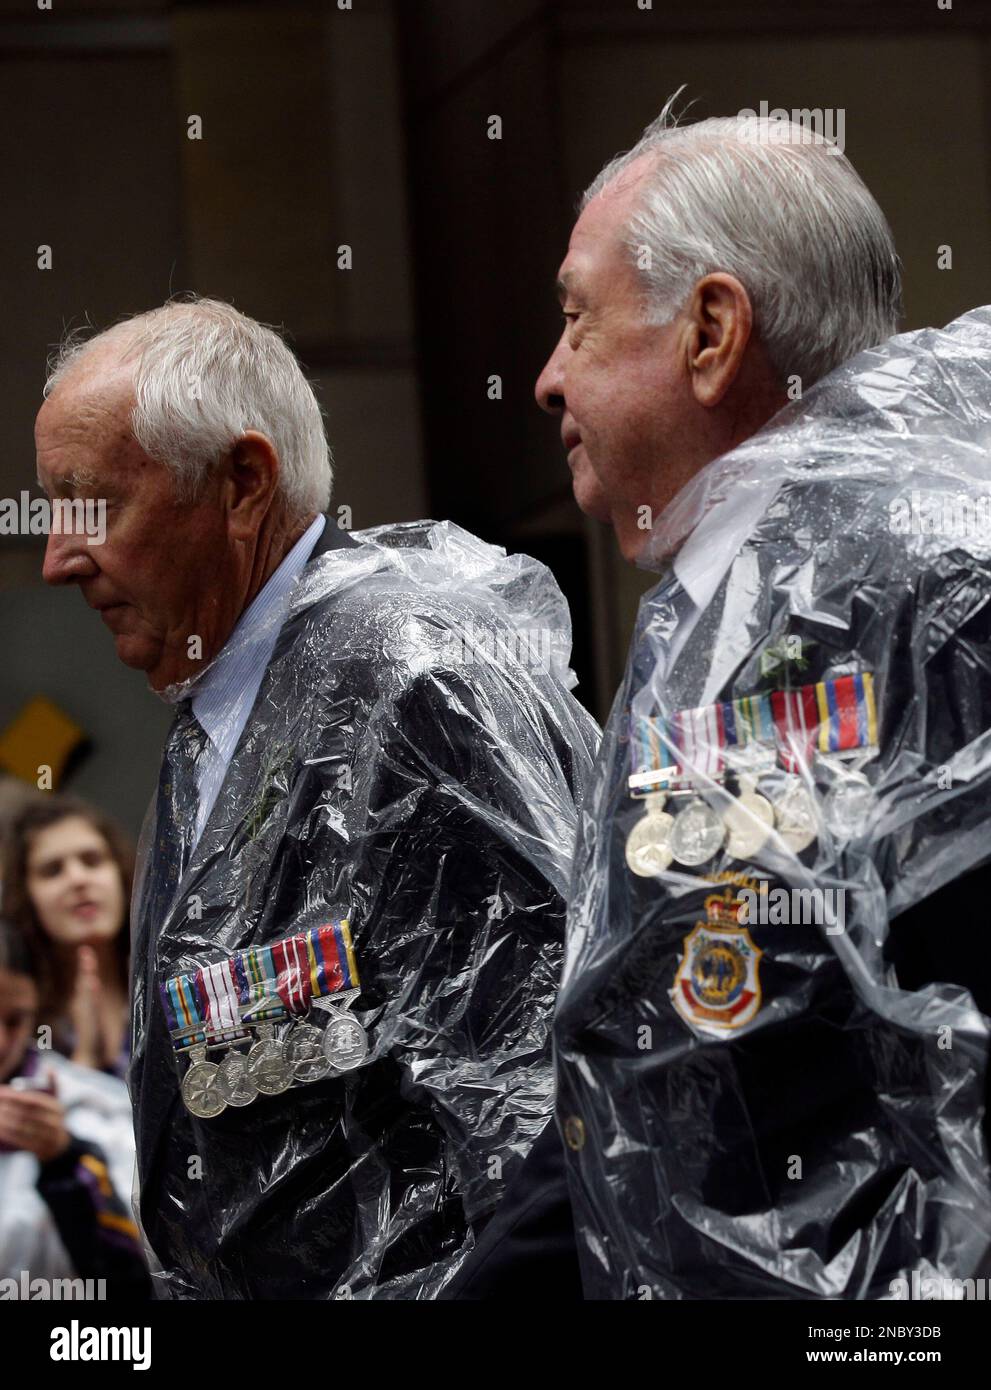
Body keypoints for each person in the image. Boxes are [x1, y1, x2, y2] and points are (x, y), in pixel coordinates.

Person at [456, 96, 991, 1300]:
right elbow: (641, 1055)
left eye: (576, 321)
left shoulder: (936, 587)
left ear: (710, 330)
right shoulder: (716, 607)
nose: (544, 379)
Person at [34, 296, 599, 1299]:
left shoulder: (411, 679)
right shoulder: (220, 701)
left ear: (243, 482)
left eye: (90, 509)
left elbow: (540, 1105)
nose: (57, 559)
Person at [0, 918, 150, 1298]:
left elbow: (136, 1281)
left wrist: (65, 1160)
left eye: (15, 1020)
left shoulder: (93, 1103)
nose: (1, 1043)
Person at [1, 795, 132, 1079]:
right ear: (26, 897)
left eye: (92, 861)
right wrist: (86, 1058)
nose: (77, 879)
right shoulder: (14, 1021)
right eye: (52, 870)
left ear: (120, 873)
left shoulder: (173, 976)